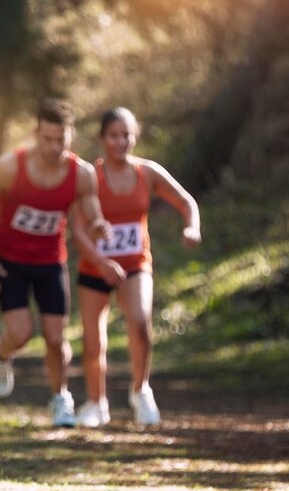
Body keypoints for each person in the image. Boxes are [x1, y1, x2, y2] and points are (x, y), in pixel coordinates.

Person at [0, 99, 111, 427]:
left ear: (70, 136)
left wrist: (99, 226)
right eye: (47, 139)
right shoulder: (9, 167)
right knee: (20, 333)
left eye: (60, 140)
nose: (53, 147)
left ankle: (60, 399)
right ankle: (0, 355)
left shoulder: (82, 174)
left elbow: (93, 214)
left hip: (50, 262)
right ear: (36, 134)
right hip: (9, 262)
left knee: (55, 337)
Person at [71, 107, 200, 427]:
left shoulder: (148, 172)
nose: (120, 141)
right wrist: (101, 262)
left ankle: (141, 391)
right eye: (113, 135)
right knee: (92, 341)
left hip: (135, 264)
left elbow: (187, 202)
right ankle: (95, 403)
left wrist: (192, 227)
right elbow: (75, 229)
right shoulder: (90, 176)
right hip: (94, 267)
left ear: (135, 136)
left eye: (126, 134)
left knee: (141, 324)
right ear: (102, 139)